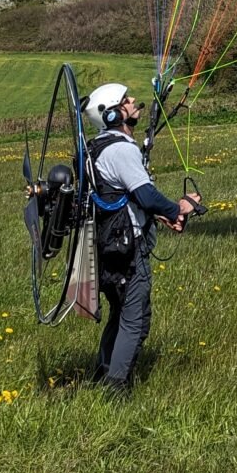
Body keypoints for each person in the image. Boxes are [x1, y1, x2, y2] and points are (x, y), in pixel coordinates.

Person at [83, 82, 203, 394]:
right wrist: (177, 208)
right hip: (126, 251)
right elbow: (146, 196)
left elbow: (122, 197)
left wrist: (160, 215)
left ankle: (103, 372)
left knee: (120, 314)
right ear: (112, 115)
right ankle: (116, 387)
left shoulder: (96, 149)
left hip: (106, 247)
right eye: (125, 100)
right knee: (136, 320)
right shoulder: (121, 150)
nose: (134, 100)